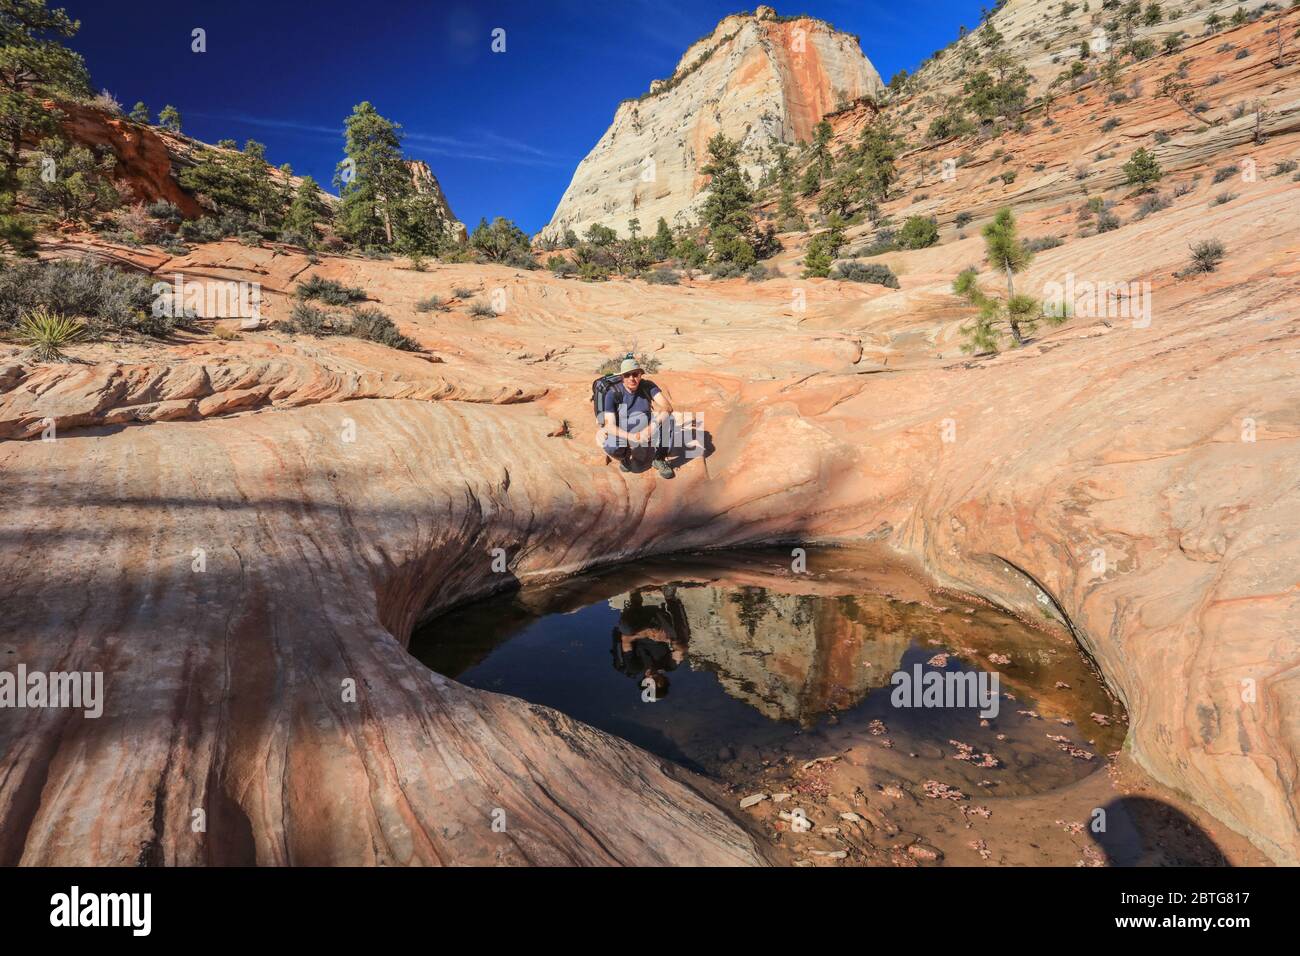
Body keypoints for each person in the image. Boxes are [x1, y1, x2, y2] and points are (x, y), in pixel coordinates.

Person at [600, 357, 675, 478]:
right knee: (611, 446)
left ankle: (659, 458)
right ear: (621, 377)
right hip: (624, 430)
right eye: (627, 375)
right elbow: (609, 425)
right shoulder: (613, 393)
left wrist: (649, 430)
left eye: (635, 374)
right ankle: (625, 456)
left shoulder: (648, 386)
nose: (631, 378)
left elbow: (667, 407)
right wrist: (632, 437)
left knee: (669, 419)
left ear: (640, 375)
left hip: (645, 426)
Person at [611, 588, 691, 701]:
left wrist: (647, 634)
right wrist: (669, 642)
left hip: (638, 624)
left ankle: (635, 598)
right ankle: (670, 598)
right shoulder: (669, 665)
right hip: (659, 621)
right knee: (683, 638)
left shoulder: (634, 667)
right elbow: (680, 650)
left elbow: (626, 639)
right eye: (659, 683)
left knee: (625, 629)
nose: (655, 680)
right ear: (664, 681)